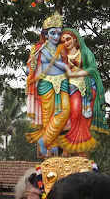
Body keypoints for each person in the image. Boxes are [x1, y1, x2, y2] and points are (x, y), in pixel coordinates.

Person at [25, 12, 72, 156]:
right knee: (48, 116)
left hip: (63, 81)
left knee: (65, 111)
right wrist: (32, 63)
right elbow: (29, 69)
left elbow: (70, 63)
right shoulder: (38, 48)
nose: (56, 37)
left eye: (58, 33)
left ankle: (44, 140)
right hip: (46, 83)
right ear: (46, 34)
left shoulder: (64, 48)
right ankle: (51, 145)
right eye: (53, 33)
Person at [57, 28, 108, 155]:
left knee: (86, 116)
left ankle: (81, 150)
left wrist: (75, 74)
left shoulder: (85, 53)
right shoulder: (63, 57)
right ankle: (69, 145)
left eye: (68, 39)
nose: (66, 43)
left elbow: (93, 69)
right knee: (74, 112)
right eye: (63, 41)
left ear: (75, 39)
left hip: (88, 87)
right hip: (72, 87)